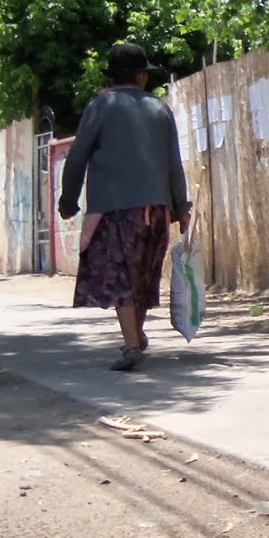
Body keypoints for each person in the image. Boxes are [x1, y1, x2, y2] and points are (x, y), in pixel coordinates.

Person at [58, 42, 191, 372]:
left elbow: (77, 156)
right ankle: (137, 335)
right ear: (142, 76)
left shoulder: (101, 105)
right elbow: (174, 163)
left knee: (122, 278)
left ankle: (132, 344)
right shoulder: (161, 110)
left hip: (115, 209)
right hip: (157, 211)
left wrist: (68, 199)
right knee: (144, 276)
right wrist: (181, 207)